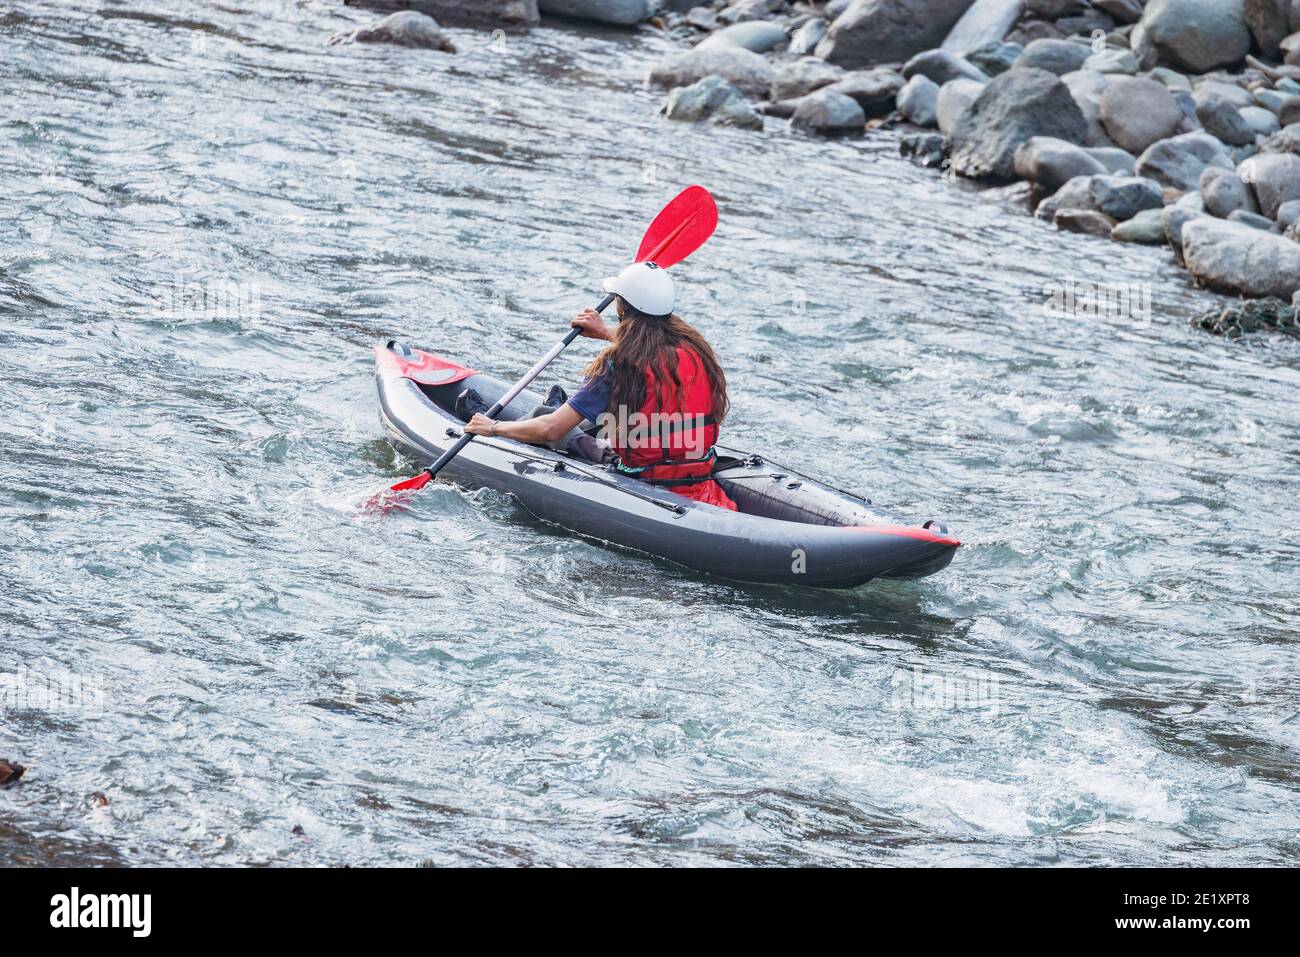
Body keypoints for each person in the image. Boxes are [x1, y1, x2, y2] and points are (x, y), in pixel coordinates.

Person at [462, 262, 737, 511]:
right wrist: (605, 332)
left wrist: (493, 428)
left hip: (642, 479)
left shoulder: (618, 365)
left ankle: (532, 411)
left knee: (544, 421)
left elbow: (550, 429)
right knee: (608, 426)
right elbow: (650, 344)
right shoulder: (696, 350)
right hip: (694, 472)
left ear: (621, 307)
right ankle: (558, 407)